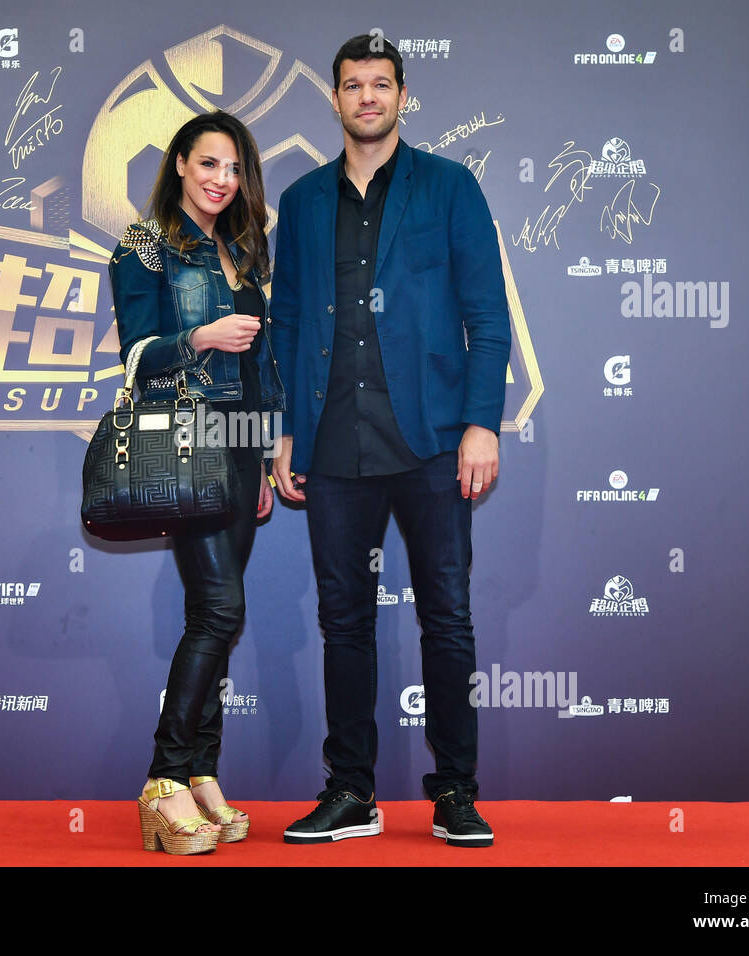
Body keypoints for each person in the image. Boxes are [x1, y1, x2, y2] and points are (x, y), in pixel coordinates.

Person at [270, 35, 511, 846]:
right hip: (334, 443)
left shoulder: (450, 187)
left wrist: (482, 423)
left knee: (446, 617)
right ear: (334, 99)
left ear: (402, 95)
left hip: (435, 440)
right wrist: (286, 430)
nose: (366, 97)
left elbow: (488, 318)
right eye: (352, 85)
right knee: (344, 623)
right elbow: (290, 321)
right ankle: (350, 793)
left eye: (380, 84)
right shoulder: (301, 202)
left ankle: (455, 793)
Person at [109, 111, 286, 854]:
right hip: (186, 438)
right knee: (218, 609)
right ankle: (164, 779)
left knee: (218, 612)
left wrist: (271, 445)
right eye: (209, 163)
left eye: (235, 168)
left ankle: (201, 772)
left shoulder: (243, 244)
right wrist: (200, 339)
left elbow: (263, 357)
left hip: (241, 440)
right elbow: (137, 356)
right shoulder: (145, 244)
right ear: (180, 162)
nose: (222, 180)